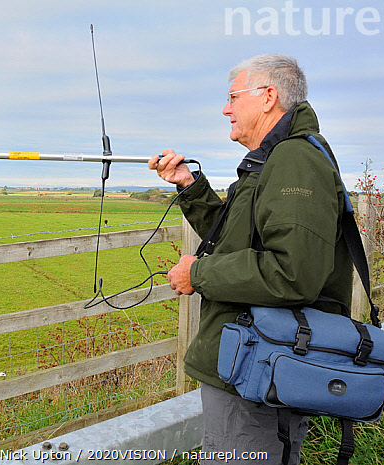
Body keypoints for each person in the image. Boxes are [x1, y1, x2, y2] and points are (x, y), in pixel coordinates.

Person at [149, 54, 353, 464]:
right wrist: (189, 185)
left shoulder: (295, 161)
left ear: (268, 97)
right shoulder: (273, 160)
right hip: (251, 361)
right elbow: (236, 241)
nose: (225, 108)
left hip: (259, 369)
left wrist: (199, 273)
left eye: (232, 97)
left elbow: (292, 274)